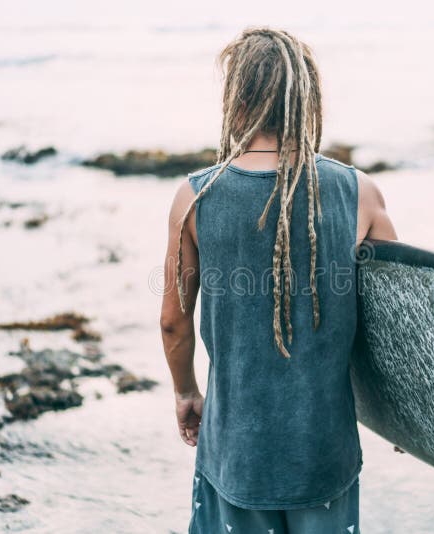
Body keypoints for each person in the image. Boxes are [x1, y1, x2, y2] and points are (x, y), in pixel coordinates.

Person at [159, 26, 397, 534]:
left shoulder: (195, 198)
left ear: (237, 99)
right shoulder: (359, 193)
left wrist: (186, 393)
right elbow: (400, 323)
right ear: (305, 99)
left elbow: (173, 323)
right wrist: (405, 416)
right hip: (323, 454)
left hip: (234, 454)